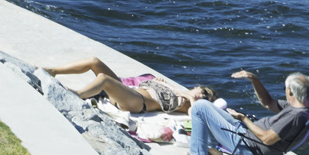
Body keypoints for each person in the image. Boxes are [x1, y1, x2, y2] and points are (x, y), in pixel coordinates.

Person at [184, 70, 309, 155]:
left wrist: (243, 118)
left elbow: (267, 139)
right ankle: (213, 152)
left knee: (200, 106)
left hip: (248, 147)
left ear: (290, 91)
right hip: (247, 136)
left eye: (284, 89)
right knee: (210, 109)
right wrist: (254, 80)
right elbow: (268, 103)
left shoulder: (295, 116)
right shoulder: (301, 108)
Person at [43, 53, 201, 115]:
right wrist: (157, 84)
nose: (202, 94)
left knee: (104, 79)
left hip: (137, 102)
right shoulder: (175, 89)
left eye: (206, 96)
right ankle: (53, 71)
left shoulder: (187, 102)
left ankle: (77, 95)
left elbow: (195, 116)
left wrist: (192, 99)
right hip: (127, 91)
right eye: (203, 91)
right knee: (94, 61)